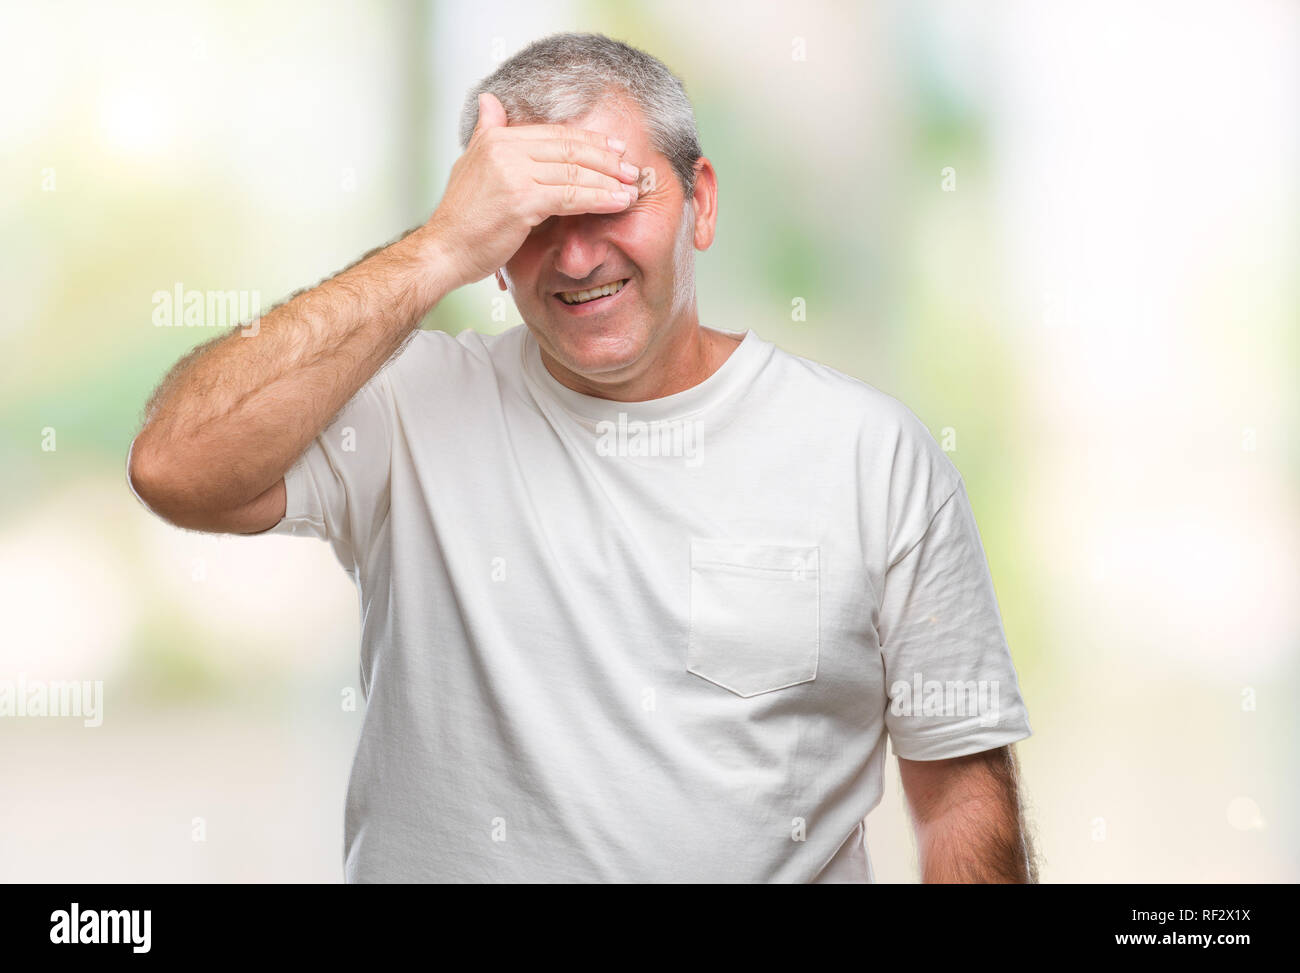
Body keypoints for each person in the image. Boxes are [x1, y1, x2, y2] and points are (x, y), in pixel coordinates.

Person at [128, 31, 1035, 883]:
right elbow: (175, 464)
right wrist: (437, 247)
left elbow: (961, 794)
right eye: (532, 215)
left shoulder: (869, 455)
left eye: (611, 197)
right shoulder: (406, 408)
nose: (575, 253)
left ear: (701, 202)